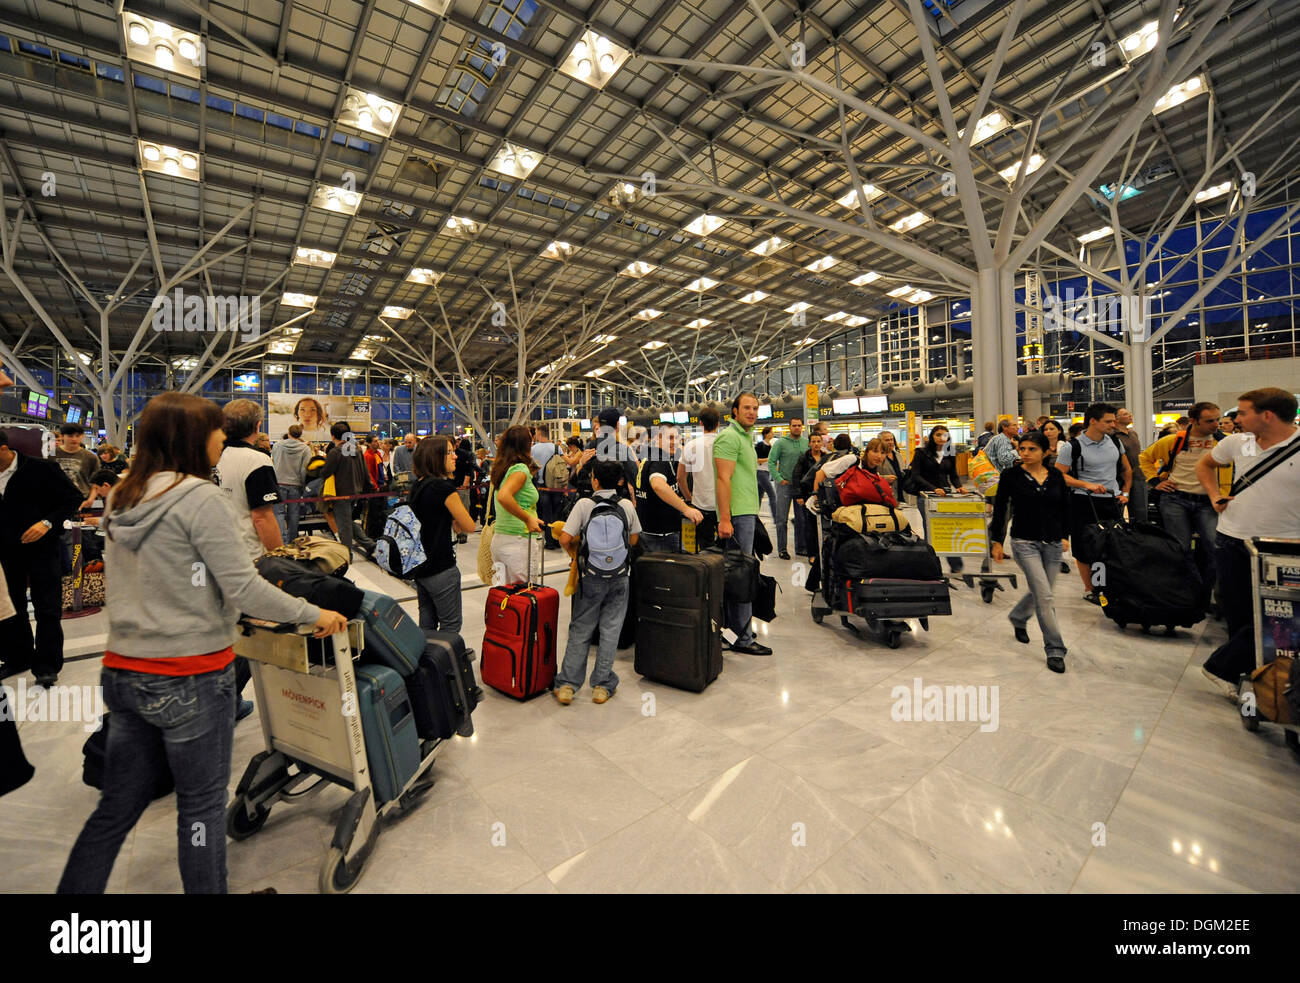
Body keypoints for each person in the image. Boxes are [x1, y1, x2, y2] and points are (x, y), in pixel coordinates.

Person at [57, 392, 348, 895]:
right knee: (200, 810)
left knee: (116, 809)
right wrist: (314, 611)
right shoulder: (200, 499)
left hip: (125, 672)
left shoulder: (124, 495)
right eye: (214, 431)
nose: (221, 440)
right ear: (192, 438)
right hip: (189, 677)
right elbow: (243, 588)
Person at [1198, 388, 1300, 699]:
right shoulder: (1235, 443)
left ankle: (1224, 667)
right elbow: (1205, 466)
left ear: (1266, 415)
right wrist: (1215, 496)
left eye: (1242, 413)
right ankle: (1246, 679)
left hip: (1285, 545)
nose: (1236, 419)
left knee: (1279, 618)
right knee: (1239, 612)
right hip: (1233, 539)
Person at [0, 428, 84, 687]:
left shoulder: (40, 469)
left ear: (4, 449)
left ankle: (47, 665)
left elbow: (72, 498)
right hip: (5, 551)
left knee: (47, 607)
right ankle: (18, 656)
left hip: (43, 548)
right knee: (11, 608)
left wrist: (47, 523)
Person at [554, 460, 641, 705]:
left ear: (594, 481)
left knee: (581, 628)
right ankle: (602, 686)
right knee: (611, 629)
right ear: (620, 482)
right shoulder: (625, 505)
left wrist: (579, 548)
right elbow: (633, 540)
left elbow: (564, 538)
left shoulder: (584, 504)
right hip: (620, 576)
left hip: (590, 577)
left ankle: (567, 686)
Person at [989, 431, 1072, 673]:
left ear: (1046, 452)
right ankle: (1055, 649)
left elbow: (1065, 507)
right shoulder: (1011, 476)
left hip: (1053, 544)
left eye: (1031, 449)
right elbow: (1001, 509)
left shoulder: (1056, 475)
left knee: (1041, 591)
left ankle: (1018, 616)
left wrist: (1065, 535)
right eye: (1022, 448)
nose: (1025, 453)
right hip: (1024, 543)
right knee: (1045, 596)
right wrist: (997, 541)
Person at [1139, 401, 1230, 591]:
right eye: (1209, 421)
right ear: (1193, 421)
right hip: (1175, 499)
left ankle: (1216, 592)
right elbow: (1145, 458)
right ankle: (1188, 590)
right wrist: (1155, 481)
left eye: (1218, 420)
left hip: (1209, 502)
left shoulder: (1224, 441)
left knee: (1216, 547)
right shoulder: (1174, 440)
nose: (1216, 425)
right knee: (1180, 547)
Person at [1055, 402, 1132, 604]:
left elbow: (1126, 470)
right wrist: (1085, 484)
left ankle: (1103, 585)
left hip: (1111, 500)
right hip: (1083, 501)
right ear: (1093, 421)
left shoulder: (1115, 442)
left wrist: (1125, 492)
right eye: (1108, 421)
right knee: (1085, 547)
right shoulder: (1073, 446)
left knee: (1109, 546)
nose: (1113, 424)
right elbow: (1058, 476)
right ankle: (1091, 588)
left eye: (1114, 420)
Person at [713, 392, 771, 656]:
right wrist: (724, 518)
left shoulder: (746, 438)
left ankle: (735, 631)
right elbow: (722, 480)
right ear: (734, 411)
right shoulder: (729, 437)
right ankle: (743, 638)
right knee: (742, 576)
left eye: (755, 408)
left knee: (737, 575)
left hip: (746, 513)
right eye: (746, 407)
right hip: (736, 516)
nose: (752, 412)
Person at [408, 436, 475, 635]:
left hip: (420, 567)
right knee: (451, 626)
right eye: (449, 452)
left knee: (427, 625)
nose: (455, 456)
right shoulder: (443, 488)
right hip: (441, 567)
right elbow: (469, 526)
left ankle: (428, 662)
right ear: (436, 457)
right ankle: (445, 664)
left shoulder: (418, 485)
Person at [489, 425, 544, 584]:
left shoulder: (505, 467)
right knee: (523, 595)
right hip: (518, 540)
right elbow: (504, 497)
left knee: (505, 596)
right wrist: (528, 519)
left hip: (502, 538)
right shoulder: (520, 469)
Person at [635, 424, 702, 553]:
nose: (675, 442)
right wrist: (686, 509)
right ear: (657, 438)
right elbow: (657, 485)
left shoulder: (649, 456)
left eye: (677, 438)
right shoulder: (660, 460)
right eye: (670, 438)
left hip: (650, 533)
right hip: (661, 538)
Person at [320, 421, 368, 558]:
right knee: (346, 521)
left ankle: (347, 554)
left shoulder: (335, 452)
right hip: (355, 491)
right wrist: (367, 488)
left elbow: (325, 472)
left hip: (340, 493)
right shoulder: (357, 450)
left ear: (333, 436)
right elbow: (364, 471)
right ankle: (369, 545)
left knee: (343, 526)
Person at [679, 406, 722, 552]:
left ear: (701, 423)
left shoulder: (691, 446)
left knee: (705, 549)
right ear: (718, 424)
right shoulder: (725, 444)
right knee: (727, 547)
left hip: (700, 505)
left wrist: (688, 498)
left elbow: (680, 477)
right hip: (724, 505)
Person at [768, 417, 809, 560]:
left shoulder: (806, 443)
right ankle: (782, 549)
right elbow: (771, 462)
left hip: (800, 487)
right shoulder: (781, 443)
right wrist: (779, 479)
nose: (797, 428)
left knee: (801, 519)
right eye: (794, 425)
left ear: (802, 427)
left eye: (799, 425)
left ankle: (801, 547)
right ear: (789, 427)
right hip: (785, 486)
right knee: (781, 519)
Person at [271, 424, 312, 542]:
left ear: (288, 433)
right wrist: (303, 484)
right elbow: (305, 469)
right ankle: (292, 540)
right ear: (300, 435)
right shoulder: (305, 449)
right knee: (294, 514)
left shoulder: (277, 446)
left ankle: (281, 541)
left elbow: (274, 461)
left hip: (278, 483)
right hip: (296, 485)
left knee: (278, 513)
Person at [791, 431, 826, 559]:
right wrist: (798, 495)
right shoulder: (804, 458)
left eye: (818, 441)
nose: (816, 444)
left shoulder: (825, 456)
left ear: (822, 443)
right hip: (807, 495)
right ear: (809, 443)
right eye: (813, 442)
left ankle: (822, 552)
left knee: (822, 525)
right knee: (810, 524)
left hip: (821, 494)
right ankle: (812, 553)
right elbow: (796, 476)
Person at [1113, 408, 1147, 522]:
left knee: (1140, 511)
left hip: (1138, 476)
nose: (1129, 415)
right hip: (1120, 478)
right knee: (1119, 509)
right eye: (1125, 414)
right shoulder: (1113, 436)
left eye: (1129, 413)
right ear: (1116, 419)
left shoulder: (1133, 433)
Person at [54, 423, 99, 497]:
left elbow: (96, 482)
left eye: (77, 436)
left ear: (82, 436)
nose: (74, 439)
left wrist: (91, 499)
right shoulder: (50, 455)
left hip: (82, 498)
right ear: (62, 436)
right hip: (56, 498)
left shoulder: (91, 457)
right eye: (70, 436)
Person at [453, 438, 476, 543]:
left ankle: (463, 533)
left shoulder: (464, 454)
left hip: (462, 486)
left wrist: (465, 484)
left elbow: (469, 470)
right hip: (451, 486)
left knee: (464, 509)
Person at [754, 426, 776, 514]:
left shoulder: (771, 445)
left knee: (759, 495)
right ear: (766, 434)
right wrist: (768, 459)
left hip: (766, 472)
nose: (773, 434)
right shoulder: (760, 445)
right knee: (772, 494)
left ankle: (755, 514)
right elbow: (756, 459)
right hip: (760, 471)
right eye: (771, 432)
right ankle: (776, 516)